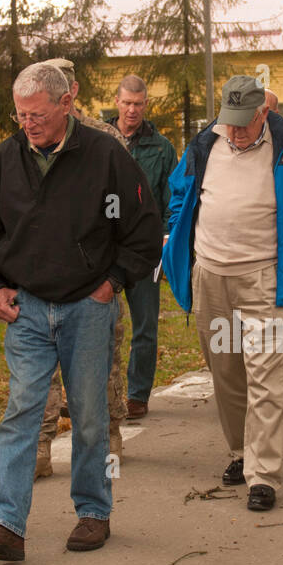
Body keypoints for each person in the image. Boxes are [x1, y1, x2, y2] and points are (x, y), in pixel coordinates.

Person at [0, 61, 162, 559]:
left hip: (87, 308)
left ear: (66, 104)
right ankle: (6, 525)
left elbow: (143, 225)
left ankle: (94, 513)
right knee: (21, 412)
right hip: (26, 308)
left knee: (90, 416)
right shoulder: (6, 161)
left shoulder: (104, 156)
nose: (27, 123)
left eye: (38, 114)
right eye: (21, 115)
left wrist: (112, 282)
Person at [162, 76, 283, 511]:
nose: (236, 130)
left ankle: (262, 474)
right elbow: (179, 195)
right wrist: (175, 235)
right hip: (211, 275)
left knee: (266, 376)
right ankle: (240, 451)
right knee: (225, 374)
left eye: (245, 122)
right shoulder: (204, 144)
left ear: (265, 112)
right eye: (230, 122)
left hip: (267, 280)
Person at [32, 58, 130, 481]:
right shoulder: (28, 139)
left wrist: (114, 274)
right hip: (42, 275)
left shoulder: (104, 138)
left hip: (95, 277)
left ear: (71, 90)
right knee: (40, 368)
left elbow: (128, 206)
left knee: (103, 361)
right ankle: (40, 445)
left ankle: (109, 435)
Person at [106, 74, 177, 421]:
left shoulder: (161, 148)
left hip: (146, 248)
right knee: (96, 322)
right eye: (127, 103)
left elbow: (170, 198)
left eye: (138, 104)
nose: (132, 110)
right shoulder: (99, 139)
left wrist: (165, 239)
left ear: (145, 105)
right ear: (116, 102)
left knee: (144, 325)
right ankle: (100, 395)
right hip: (104, 247)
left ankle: (137, 395)